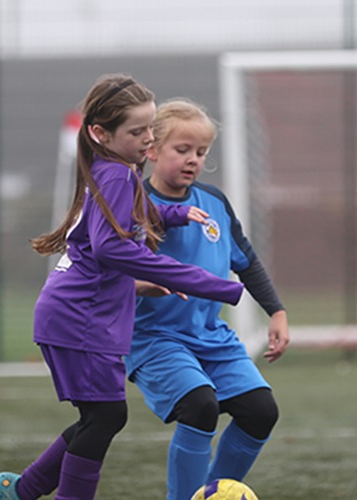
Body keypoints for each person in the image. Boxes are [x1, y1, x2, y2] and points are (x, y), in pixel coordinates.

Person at [0, 75, 245, 500]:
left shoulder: (118, 170)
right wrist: (206, 283)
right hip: (79, 318)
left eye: (150, 127)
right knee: (105, 417)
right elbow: (114, 249)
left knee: (101, 417)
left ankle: (24, 491)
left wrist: (178, 217)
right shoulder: (115, 175)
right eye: (138, 131)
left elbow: (134, 216)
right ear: (100, 133)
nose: (149, 138)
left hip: (78, 315)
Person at [127, 99, 289, 500]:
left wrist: (277, 312)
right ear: (151, 150)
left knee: (261, 411)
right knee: (200, 407)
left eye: (200, 152)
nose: (193, 160)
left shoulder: (213, 202)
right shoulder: (130, 207)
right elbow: (106, 274)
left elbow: (246, 261)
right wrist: (143, 284)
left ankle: (210, 494)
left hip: (210, 335)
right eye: (182, 150)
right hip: (154, 339)